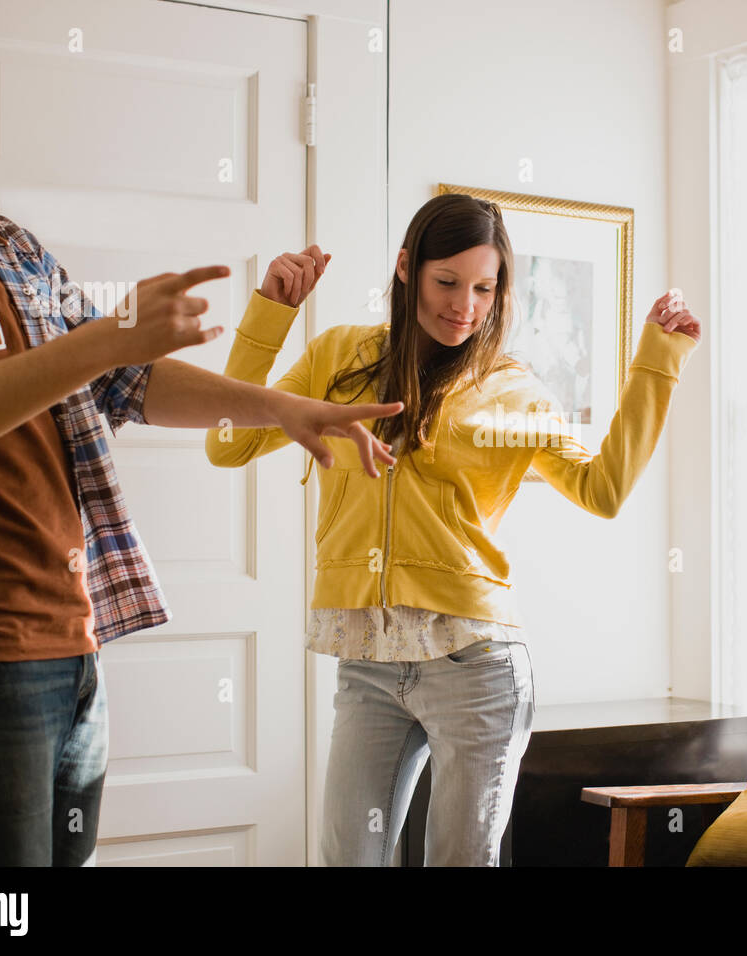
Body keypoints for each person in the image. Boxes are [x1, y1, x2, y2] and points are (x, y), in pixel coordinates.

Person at [0, 3, 401, 866]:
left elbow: (126, 379)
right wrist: (104, 338)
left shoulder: (5, 243)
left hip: (74, 639)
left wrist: (281, 408)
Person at [206, 193, 700, 865]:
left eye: (483, 288)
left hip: (475, 665)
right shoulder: (339, 359)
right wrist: (271, 315)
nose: (464, 305)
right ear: (407, 267)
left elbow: (603, 488)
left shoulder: (512, 388)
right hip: (370, 661)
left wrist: (657, 362)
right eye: (447, 282)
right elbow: (227, 443)